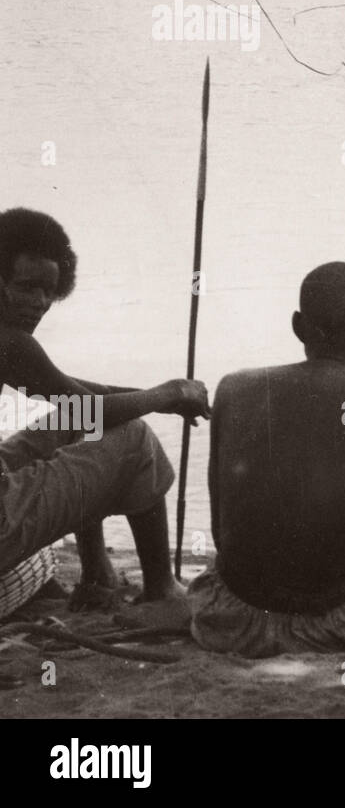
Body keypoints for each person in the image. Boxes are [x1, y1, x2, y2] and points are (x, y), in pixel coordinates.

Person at [189, 263, 345, 657]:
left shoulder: (234, 389)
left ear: (298, 326)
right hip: (340, 625)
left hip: (232, 620)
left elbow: (220, 530)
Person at [0, 208, 208, 608]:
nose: (40, 303)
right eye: (27, 288)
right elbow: (92, 409)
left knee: (69, 420)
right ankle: (162, 591)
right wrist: (168, 393)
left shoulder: (12, 345)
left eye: (49, 291)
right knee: (133, 436)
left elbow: (70, 394)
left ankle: (96, 574)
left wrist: (165, 398)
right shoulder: (11, 342)